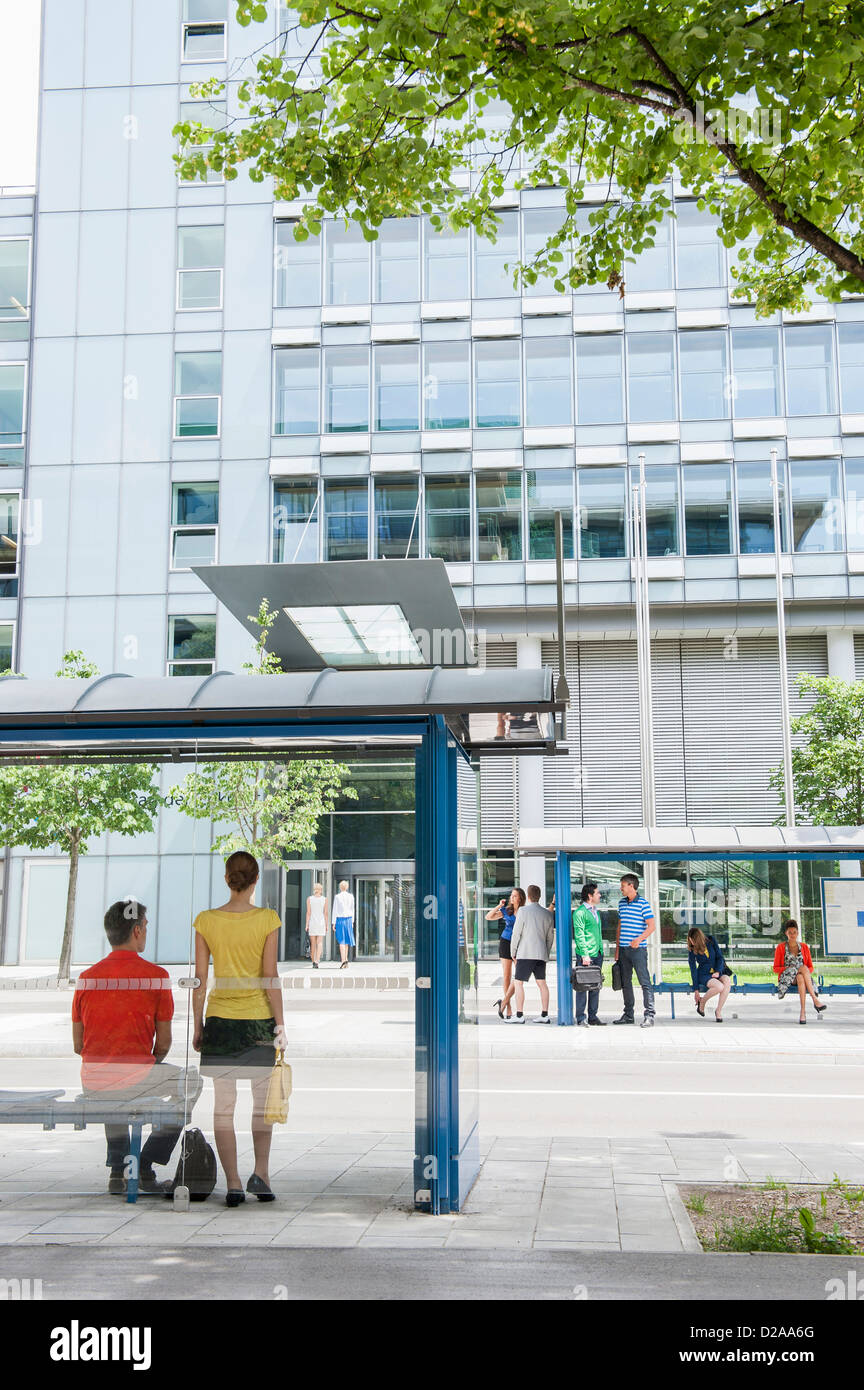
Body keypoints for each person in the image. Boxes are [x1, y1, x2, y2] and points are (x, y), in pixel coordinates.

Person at [72, 899, 192, 1196]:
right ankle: (143, 1163)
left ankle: (117, 1169)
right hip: (135, 1077)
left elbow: (79, 1044)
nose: (147, 934)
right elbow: (163, 1044)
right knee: (190, 1083)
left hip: (93, 1079)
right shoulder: (157, 977)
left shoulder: (87, 979)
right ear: (137, 931)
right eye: (146, 928)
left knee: (108, 1077)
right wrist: (145, 1063)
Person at [192, 851, 285, 1207]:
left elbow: (200, 981)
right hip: (258, 1020)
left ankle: (232, 1183)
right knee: (261, 1106)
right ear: (256, 879)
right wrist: (280, 1025)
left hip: (220, 1021)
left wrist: (198, 1025)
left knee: (224, 1106)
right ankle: (261, 1174)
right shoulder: (267, 919)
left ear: (227, 878)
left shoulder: (205, 921)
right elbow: (270, 977)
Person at [614, 873, 656, 1028]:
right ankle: (628, 1015)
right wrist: (617, 948)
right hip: (624, 950)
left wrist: (639, 939)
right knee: (626, 982)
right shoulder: (621, 903)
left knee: (644, 982)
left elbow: (652, 926)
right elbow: (619, 926)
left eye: (623, 886)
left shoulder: (643, 904)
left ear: (631, 886)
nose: (621, 889)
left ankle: (649, 1015)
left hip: (638, 951)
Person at [509, 884, 555, 1024]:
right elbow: (550, 937)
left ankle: (519, 1015)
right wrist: (545, 953)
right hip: (540, 953)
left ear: (528, 897)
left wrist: (513, 951)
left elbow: (516, 933)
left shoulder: (523, 911)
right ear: (539, 896)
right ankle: (544, 1014)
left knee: (518, 983)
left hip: (525, 953)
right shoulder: (547, 913)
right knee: (542, 983)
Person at [773, 919, 827, 1024]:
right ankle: (815, 999)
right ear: (786, 933)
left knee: (801, 977)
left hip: (801, 977)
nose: (792, 935)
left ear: (797, 933)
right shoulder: (781, 947)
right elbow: (775, 968)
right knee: (802, 968)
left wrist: (800, 970)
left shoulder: (804, 947)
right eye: (790, 933)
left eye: (794, 932)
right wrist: (791, 968)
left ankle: (803, 1013)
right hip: (787, 978)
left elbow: (811, 967)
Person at [487, 887, 526, 1020]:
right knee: (507, 976)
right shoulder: (507, 911)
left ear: (520, 898)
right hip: (505, 943)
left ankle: (503, 1002)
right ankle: (508, 1008)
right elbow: (489, 917)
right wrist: (499, 905)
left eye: (515, 896)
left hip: (519, 945)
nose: (512, 898)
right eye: (511, 896)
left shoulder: (524, 911)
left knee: (519, 976)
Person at [572, 882, 606, 1027]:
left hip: (598, 953)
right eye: (597, 893)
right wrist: (585, 955)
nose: (599, 895)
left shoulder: (596, 911)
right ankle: (581, 1017)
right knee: (582, 986)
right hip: (586, 955)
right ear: (590, 896)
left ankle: (593, 1016)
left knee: (595, 986)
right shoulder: (580, 913)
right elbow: (579, 935)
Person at [687, 927, 732, 1023]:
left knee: (727, 980)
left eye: (692, 940)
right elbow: (693, 970)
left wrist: (718, 972)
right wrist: (696, 990)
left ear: (697, 938)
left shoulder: (711, 941)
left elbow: (720, 957)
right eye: (690, 940)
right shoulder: (692, 950)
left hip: (718, 971)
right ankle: (702, 1002)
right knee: (719, 987)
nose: (691, 942)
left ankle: (718, 1011)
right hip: (704, 975)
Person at [332, 879, 356, 968]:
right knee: (346, 941)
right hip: (349, 919)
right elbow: (352, 909)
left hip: (340, 919)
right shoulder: (351, 896)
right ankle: (346, 959)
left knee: (341, 940)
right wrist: (352, 921)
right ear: (347, 887)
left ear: (340, 887)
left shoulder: (337, 897)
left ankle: (343, 960)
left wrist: (333, 922)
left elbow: (335, 910)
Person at [305, 881, 328, 968]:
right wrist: (326, 925)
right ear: (321, 890)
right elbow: (325, 913)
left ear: (314, 889)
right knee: (320, 942)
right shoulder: (325, 899)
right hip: (321, 923)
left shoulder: (309, 899)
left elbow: (308, 913)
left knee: (313, 943)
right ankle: (317, 960)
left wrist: (306, 925)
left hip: (312, 923)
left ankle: (313, 961)